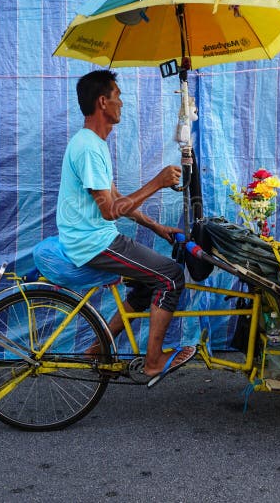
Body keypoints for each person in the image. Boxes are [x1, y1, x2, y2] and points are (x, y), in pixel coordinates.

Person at [51, 69, 196, 387]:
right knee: (170, 276)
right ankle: (154, 361)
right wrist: (156, 183)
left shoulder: (95, 144)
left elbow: (115, 198)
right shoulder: (89, 148)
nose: (122, 103)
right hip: (93, 242)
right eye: (118, 96)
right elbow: (109, 211)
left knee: (147, 285)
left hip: (95, 238)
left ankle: (97, 349)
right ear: (103, 102)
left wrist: (156, 226)